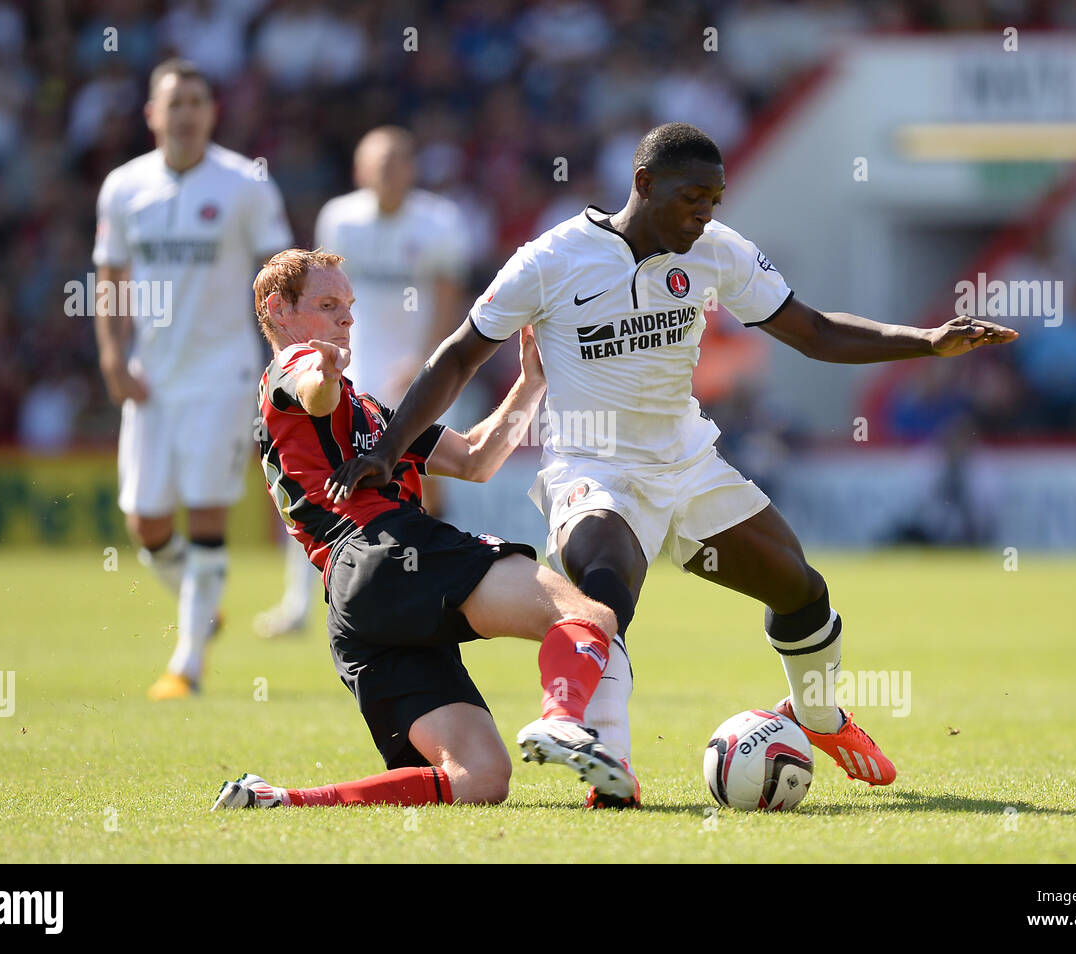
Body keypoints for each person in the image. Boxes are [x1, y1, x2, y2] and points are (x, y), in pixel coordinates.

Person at [324, 123, 1019, 808]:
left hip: (686, 463)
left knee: (801, 591)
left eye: (714, 200)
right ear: (645, 185)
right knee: (603, 594)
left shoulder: (715, 252)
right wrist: (386, 450)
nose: (704, 213)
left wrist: (928, 341)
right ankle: (601, 755)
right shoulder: (552, 258)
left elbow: (813, 331)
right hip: (593, 467)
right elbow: (456, 356)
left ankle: (820, 717)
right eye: (692, 197)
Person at [212, 248, 635, 809]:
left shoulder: (371, 413)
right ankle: (560, 718)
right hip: (388, 549)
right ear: (278, 310)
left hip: (360, 606)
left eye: (349, 305)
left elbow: (476, 459)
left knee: (479, 778)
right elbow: (310, 384)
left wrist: (531, 382)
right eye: (328, 304)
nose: (347, 318)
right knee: (588, 615)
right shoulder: (293, 372)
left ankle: (279, 800)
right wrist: (322, 369)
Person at [92, 58, 293, 700]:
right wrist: (112, 356)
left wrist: (285, 354)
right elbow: (111, 277)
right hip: (153, 376)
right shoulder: (123, 188)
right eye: (173, 103)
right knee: (146, 524)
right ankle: (201, 605)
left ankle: (188, 662)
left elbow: (279, 271)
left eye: (197, 101)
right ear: (152, 114)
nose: (185, 113)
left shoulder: (244, 185)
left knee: (206, 511)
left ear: (213, 113)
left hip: (222, 372)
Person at [253, 125, 470, 639]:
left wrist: (425, 363)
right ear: (360, 170)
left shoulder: (439, 222)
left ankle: (437, 587)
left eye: (399, 161)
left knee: (431, 484)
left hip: (419, 375)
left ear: (412, 168)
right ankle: (298, 603)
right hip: (349, 370)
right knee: (318, 480)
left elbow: (447, 296)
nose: (390, 171)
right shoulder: (341, 218)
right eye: (380, 162)